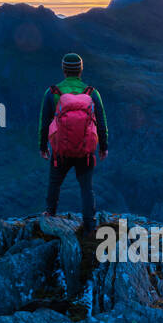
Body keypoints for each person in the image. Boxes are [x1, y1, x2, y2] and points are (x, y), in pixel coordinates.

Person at [39, 52, 108, 234]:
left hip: (60, 151)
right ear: (80, 70)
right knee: (86, 188)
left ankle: (51, 215)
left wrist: (43, 146)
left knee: (55, 183)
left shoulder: (53, 92)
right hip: (85, 152)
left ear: (64, 70)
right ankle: (89, 225)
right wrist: (103, 146)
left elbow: (44, 122)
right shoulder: (92, 93)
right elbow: (101, 122)